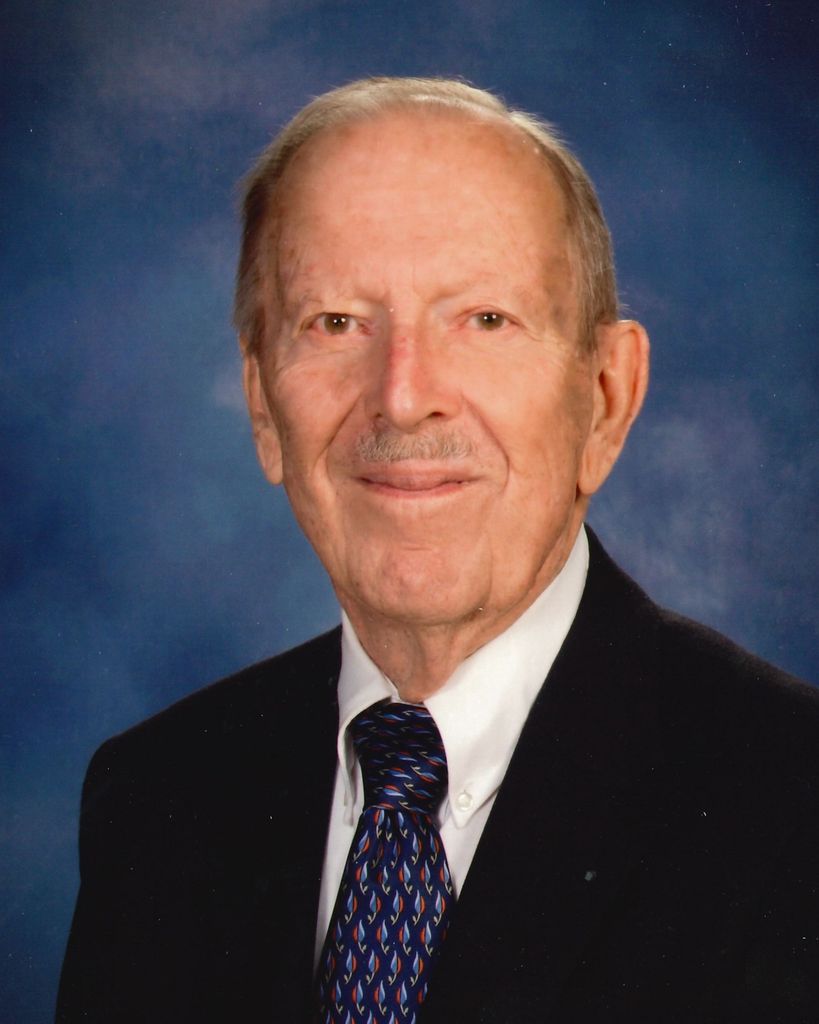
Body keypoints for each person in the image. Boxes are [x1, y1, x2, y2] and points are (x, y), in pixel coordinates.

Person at [57, 77, 818, 1023]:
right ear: (261, 405)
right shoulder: (156, 799)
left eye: (485, 320)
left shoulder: (791, 804)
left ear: (605, 398)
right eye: (336, 322)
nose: (403, 395)